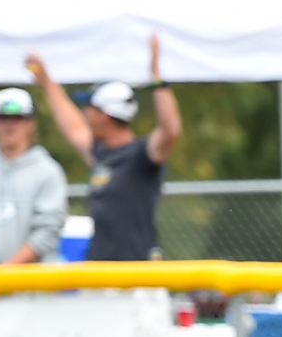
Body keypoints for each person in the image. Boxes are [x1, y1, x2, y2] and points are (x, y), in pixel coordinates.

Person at [28, 34, 181, 262]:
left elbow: (171, 130)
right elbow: (74, 129)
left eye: (89, 108)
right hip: (102, 270)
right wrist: (47, 81)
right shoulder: (103, 154)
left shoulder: (141, 157)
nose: (85, 115)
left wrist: (157, 78)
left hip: (139, 274)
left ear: (104, 115)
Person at [0, 88, 66, 264]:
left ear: (31, 123)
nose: (9, 125)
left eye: (17, 118)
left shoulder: (49, 171)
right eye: (2, 118)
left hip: (36, 286)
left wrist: (5, 271)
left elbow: (48, 231)